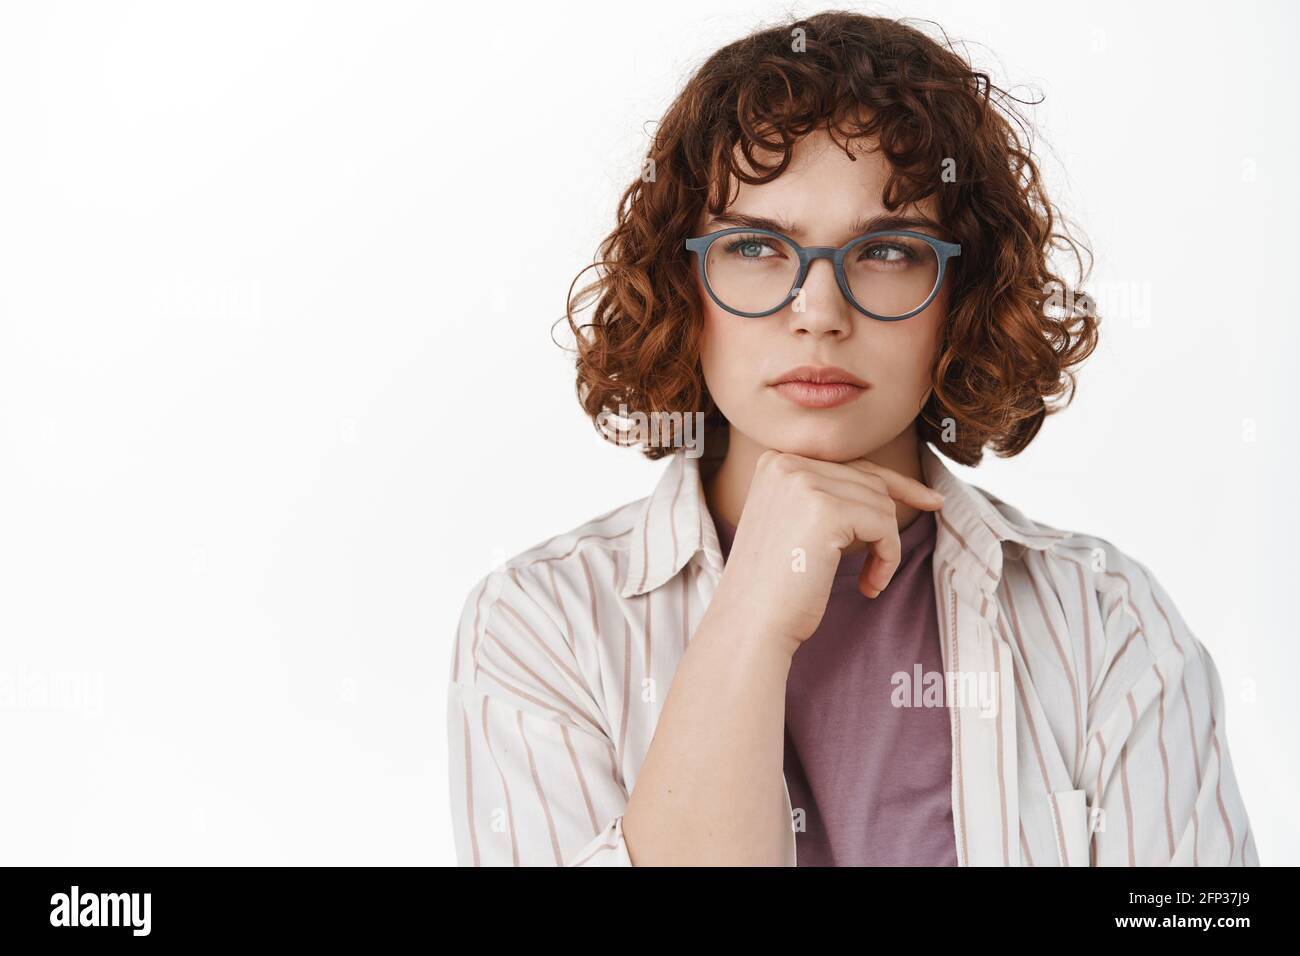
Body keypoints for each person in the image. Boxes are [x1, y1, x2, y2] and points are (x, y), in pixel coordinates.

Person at [445, 10, 1258, 866]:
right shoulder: (541, 627)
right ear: (683, 284)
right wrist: (753, 615)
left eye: (889, 251)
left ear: (961, 292)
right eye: (756, 246)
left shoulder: (1108, 623)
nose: (821, 315)